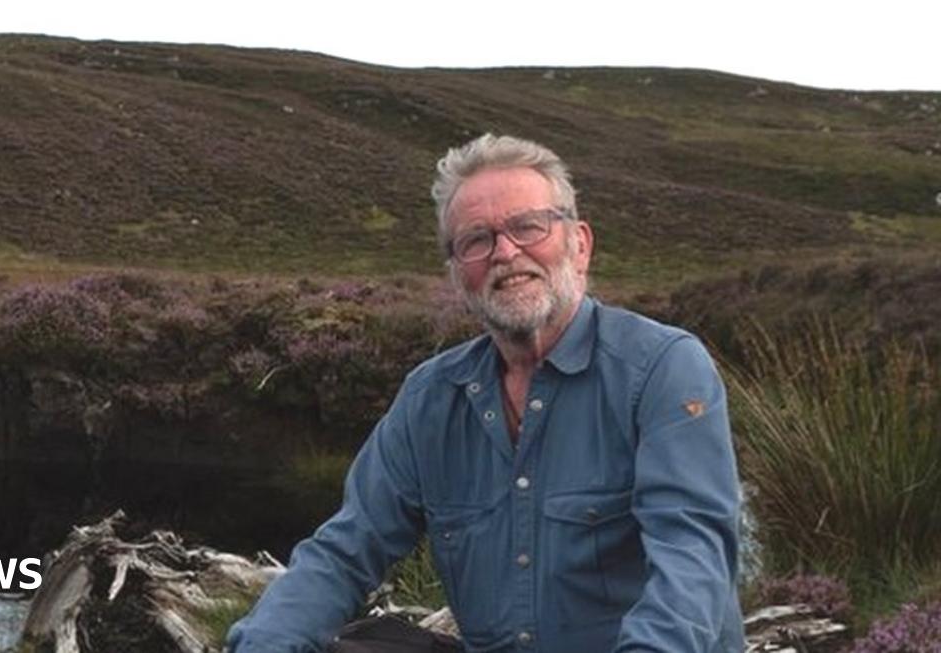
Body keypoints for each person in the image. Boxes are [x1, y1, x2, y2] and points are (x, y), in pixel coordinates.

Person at [227, 134, 744, 652]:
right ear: (457, 274)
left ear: (580, 244)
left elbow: (690, 557)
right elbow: (344, 552)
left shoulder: (661, 368)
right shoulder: (431, 398)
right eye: (476, 239)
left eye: (528, 226)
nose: (505, 252)